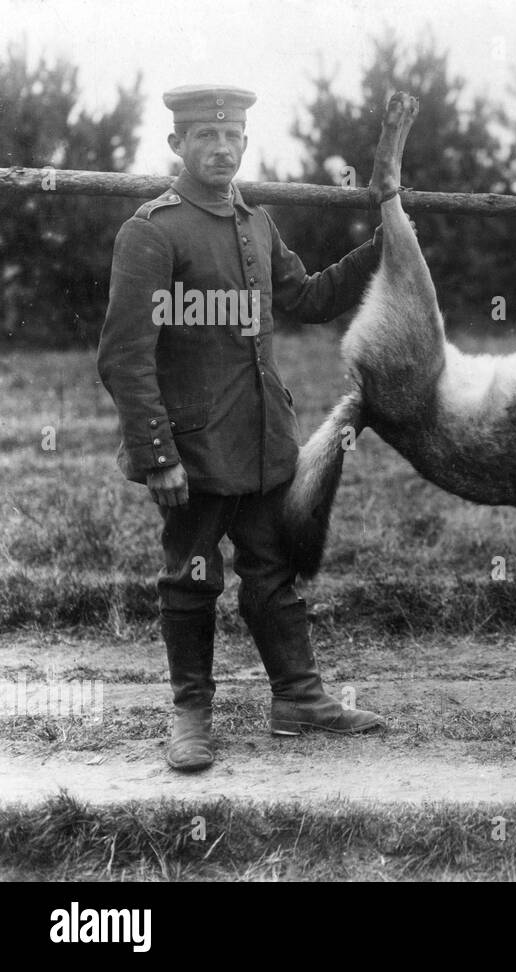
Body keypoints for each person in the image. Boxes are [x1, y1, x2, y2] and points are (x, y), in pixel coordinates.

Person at [97, 84, 384, 773]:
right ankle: (190, 715)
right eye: (204, 137)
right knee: (192, 579)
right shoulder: (153, 231)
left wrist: (383, 248)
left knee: (274, 572)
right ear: (177, 146)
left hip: (263, 443)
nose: (221, 148)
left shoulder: (256, 223)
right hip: (193, 453)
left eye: (231, 138)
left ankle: (300, 699)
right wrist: (157, 453)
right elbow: (124, 356)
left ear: (246, 145)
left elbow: (309, 299)